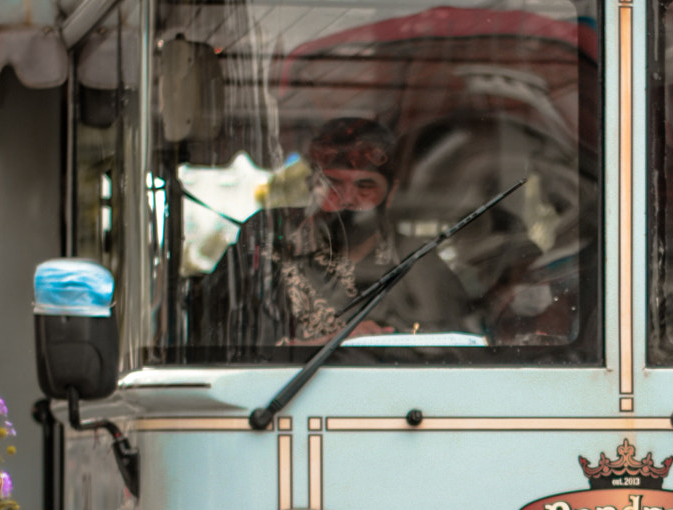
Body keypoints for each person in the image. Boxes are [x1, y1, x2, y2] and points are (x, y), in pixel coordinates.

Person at [196, 115, 473, 355]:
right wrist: (315, 346)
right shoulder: (269, 240)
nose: (347, 199)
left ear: (392, 193)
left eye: (365, 186)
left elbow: (459, 350)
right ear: (312, 185)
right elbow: (212, 338)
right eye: (332, 184)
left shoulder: (418, 260)